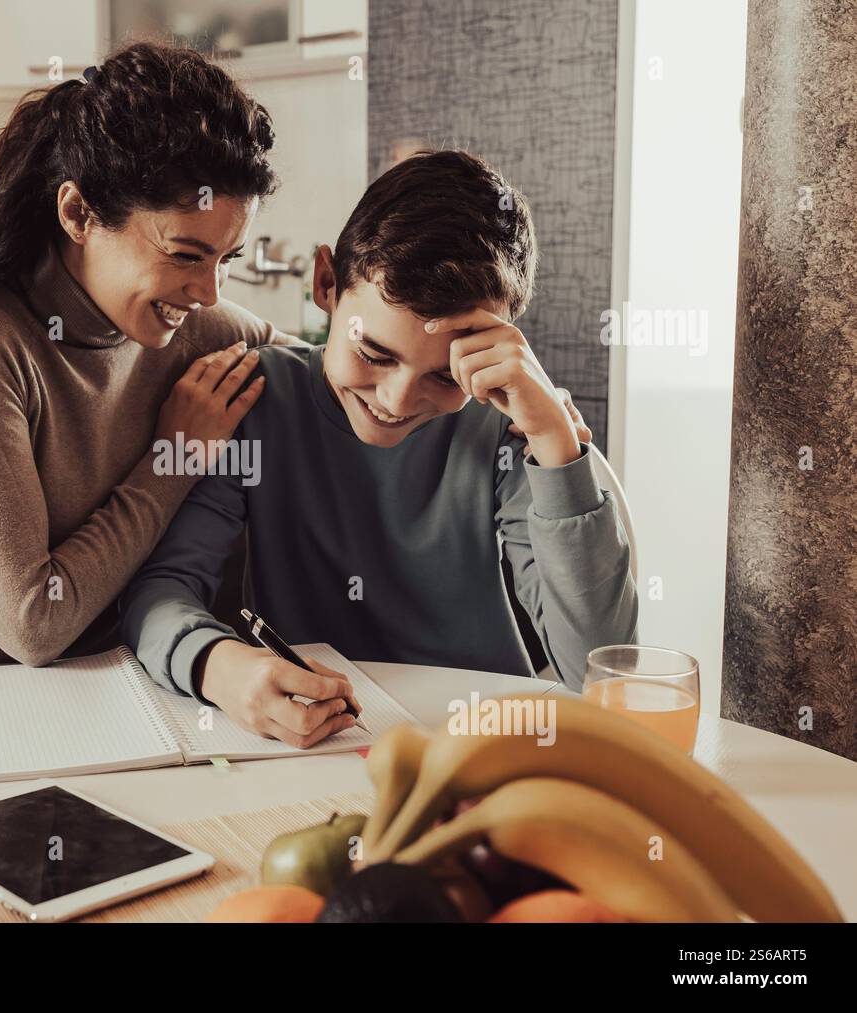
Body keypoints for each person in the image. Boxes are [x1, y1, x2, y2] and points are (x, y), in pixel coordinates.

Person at [120, 150, 639, 747]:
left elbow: (602, 674)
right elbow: (161, 591)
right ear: (326, 284)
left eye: (445, 377)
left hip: (488, 744)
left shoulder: (509, 429)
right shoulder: (253, 401)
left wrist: (557, 448)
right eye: (373, 354)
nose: (395, 399)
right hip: (325, 747)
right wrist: (219, 666)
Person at [0, 42, 289, 701]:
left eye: (225, 259)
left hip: (117, 692)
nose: (208, 291)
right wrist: (176, 455)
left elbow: (344, 385)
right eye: (186, 254)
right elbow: (33, 623)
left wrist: (500, 398)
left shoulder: (194, 323)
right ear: (79, 214)